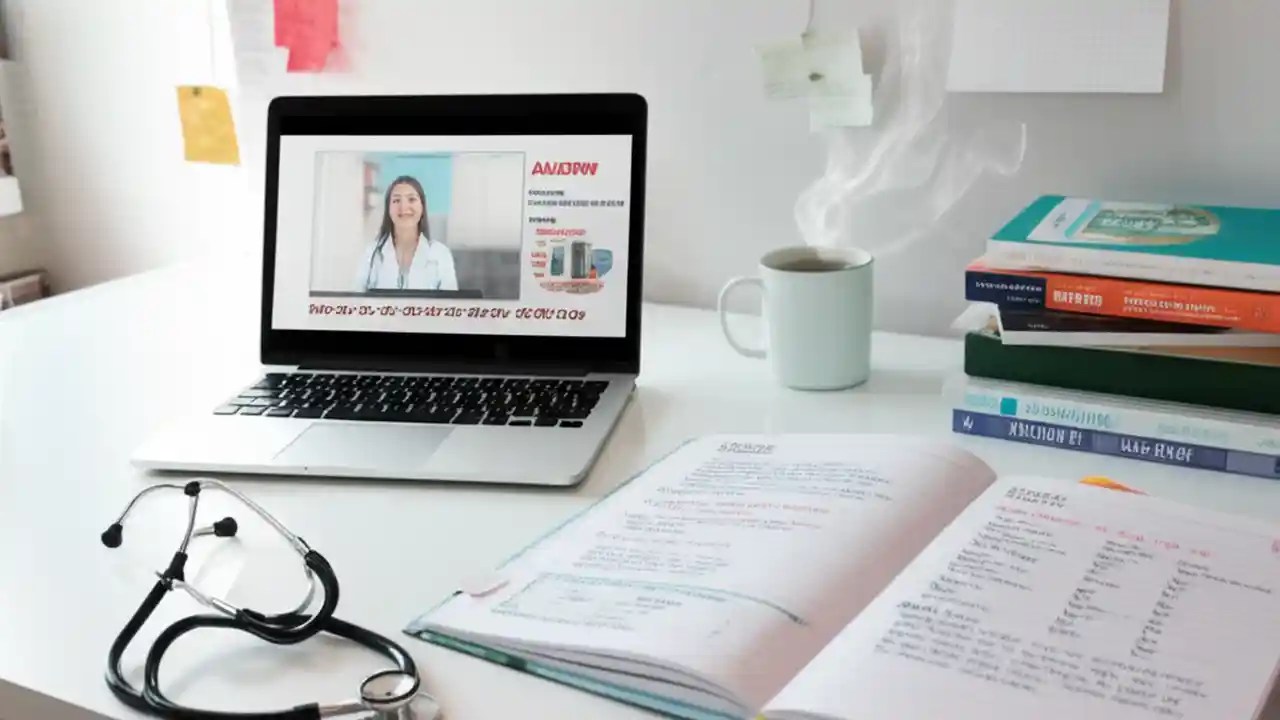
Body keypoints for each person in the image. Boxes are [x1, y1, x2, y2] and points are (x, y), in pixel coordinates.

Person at [357, 175, 457, 291]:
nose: (404, 207)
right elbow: (355, 302)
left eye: (411, 199)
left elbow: (452, 306)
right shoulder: (371, 253)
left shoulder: (440, 254)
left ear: (422, 206)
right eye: (396, 200)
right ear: (388, 208)